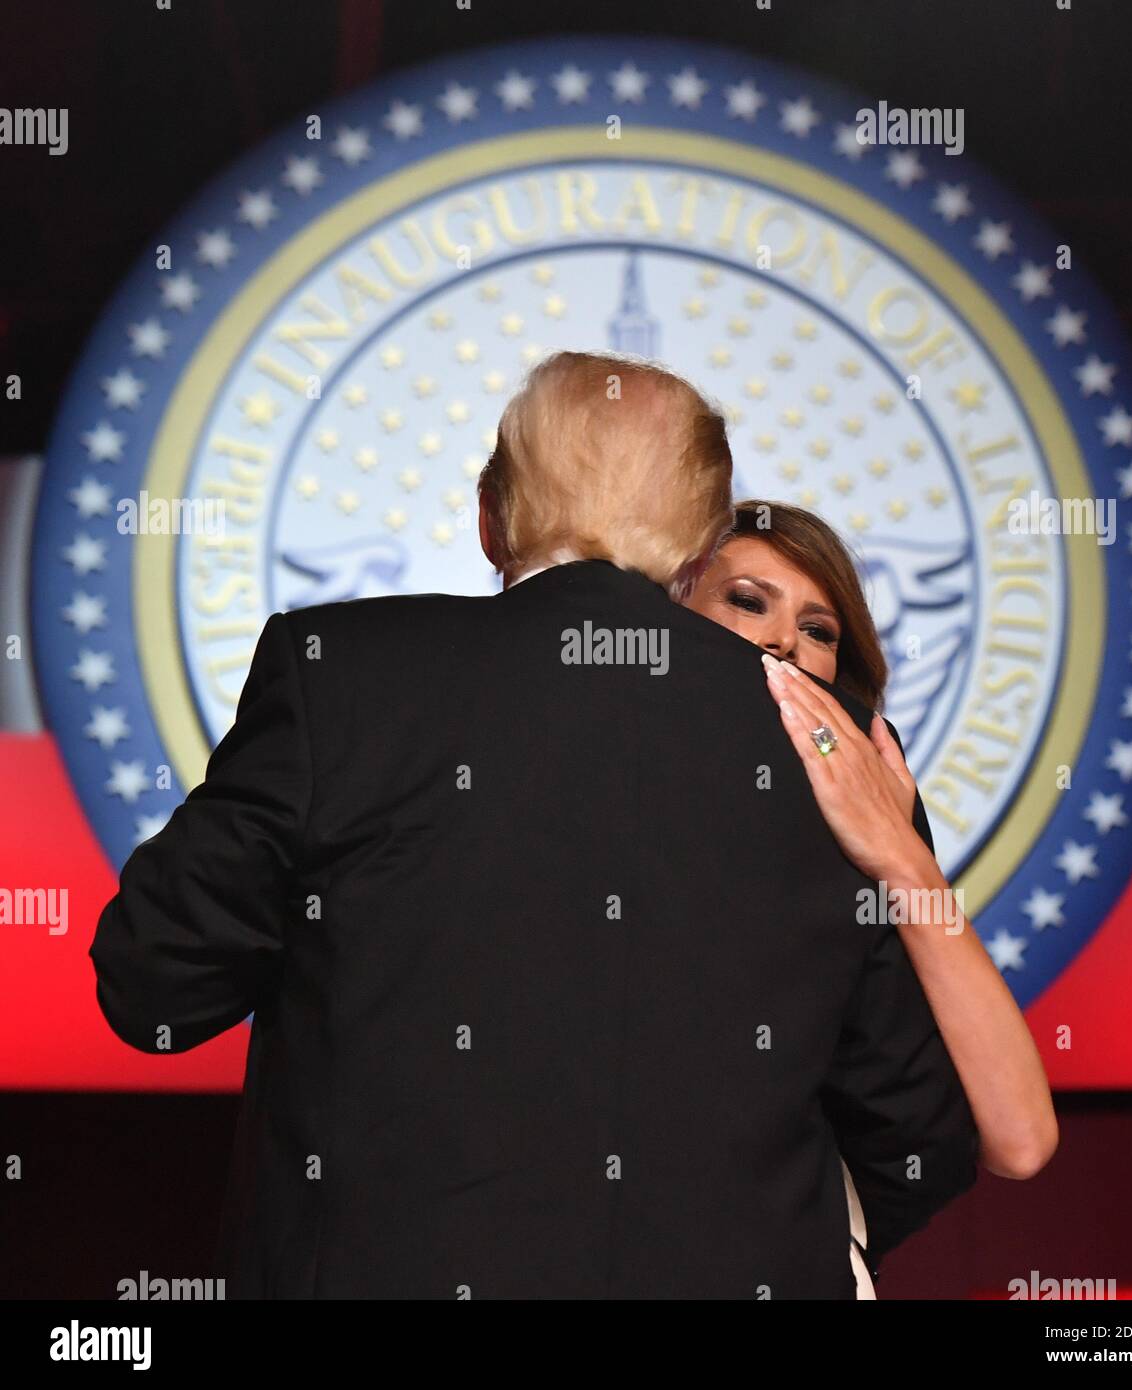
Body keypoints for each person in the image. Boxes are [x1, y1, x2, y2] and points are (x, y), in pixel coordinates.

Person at [90, 350, 980, 1299]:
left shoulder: (342, 674)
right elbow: (919, 1132)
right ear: (697, 549)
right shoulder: (826, 752)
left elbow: (157, 988)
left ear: (489, 516)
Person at [685, 501, 1059, 1294]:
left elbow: (1020, 1140)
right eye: (746, 600)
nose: (784, 640)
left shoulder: (866, 814)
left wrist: (899, 857)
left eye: (819, 631)